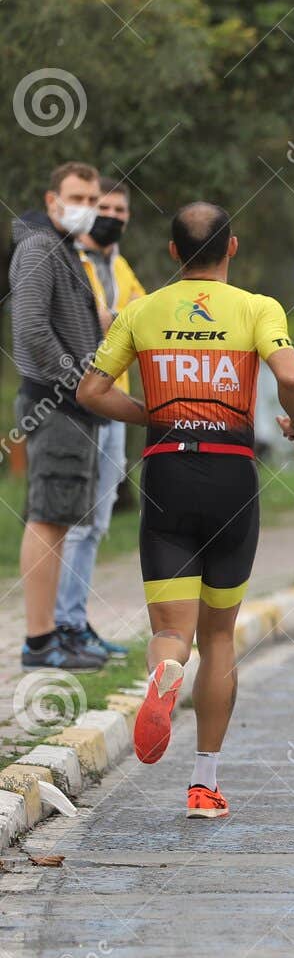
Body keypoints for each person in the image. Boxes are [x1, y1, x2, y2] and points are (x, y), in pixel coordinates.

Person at [76, 202, 294, 817]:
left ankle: (165, 673)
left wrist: (152, 414)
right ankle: (204, 783)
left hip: (168, 473)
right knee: (220, 636)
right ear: (231, 249)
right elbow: (290, 372)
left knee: (171, 632)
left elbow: (91, 392)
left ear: (174, 253)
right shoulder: (258, 309)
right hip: (232, 474)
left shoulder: (141, 310)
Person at [11, 161, 109, 671]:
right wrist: (79, 381)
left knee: (59, 519)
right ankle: (39, 641)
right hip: (56, 403)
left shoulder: (66, 249)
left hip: (72, 407)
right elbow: (29, 327)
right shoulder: (38, 247)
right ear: (52, 200)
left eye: (93, 199)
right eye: (77, 197)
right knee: (47, 520)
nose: (86, 208)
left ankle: (52, 635)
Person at [56, 182, 146, 663]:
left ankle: (75, 622)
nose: (110, 215)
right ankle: (62, 626)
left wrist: (118, 319)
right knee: (73, 520)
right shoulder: (71, 262)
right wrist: (116, 319)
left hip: (117, 401)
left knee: (96, 521)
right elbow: (94, 322)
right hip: (75, 402)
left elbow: (141, 319)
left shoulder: (122, 266)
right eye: (102, 207)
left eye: (118, 209)